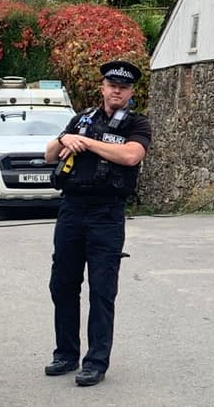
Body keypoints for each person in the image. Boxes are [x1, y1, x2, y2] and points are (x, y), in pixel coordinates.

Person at [43, 60, 151, 387]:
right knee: (62, 284)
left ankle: (96, 361)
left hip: (107, 212)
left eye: (123, 86)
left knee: (102, 290)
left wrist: (87, 143)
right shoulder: (81, 119)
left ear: (131, 92)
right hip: (72, 209)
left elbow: (132, 156)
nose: (116, 90)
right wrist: (66, 140)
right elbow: (49, 154)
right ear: (103, 87)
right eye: (111, 84)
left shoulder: (137, 123)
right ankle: (66, 353)